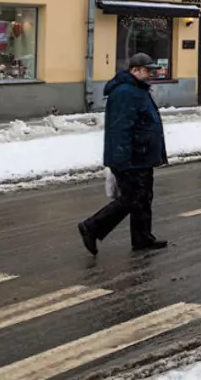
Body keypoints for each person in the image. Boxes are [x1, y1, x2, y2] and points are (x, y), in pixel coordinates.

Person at [78, 53, 169, 255]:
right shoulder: (126, 92)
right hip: (131, 158)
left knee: (143, 197)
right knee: (131, 198)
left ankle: (142, 238)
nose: (151, 74)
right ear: (134, 70)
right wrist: (121, 159)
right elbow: (120, 128)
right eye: (148, 70)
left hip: (141, 156)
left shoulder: (137, 90)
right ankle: (91, 227)